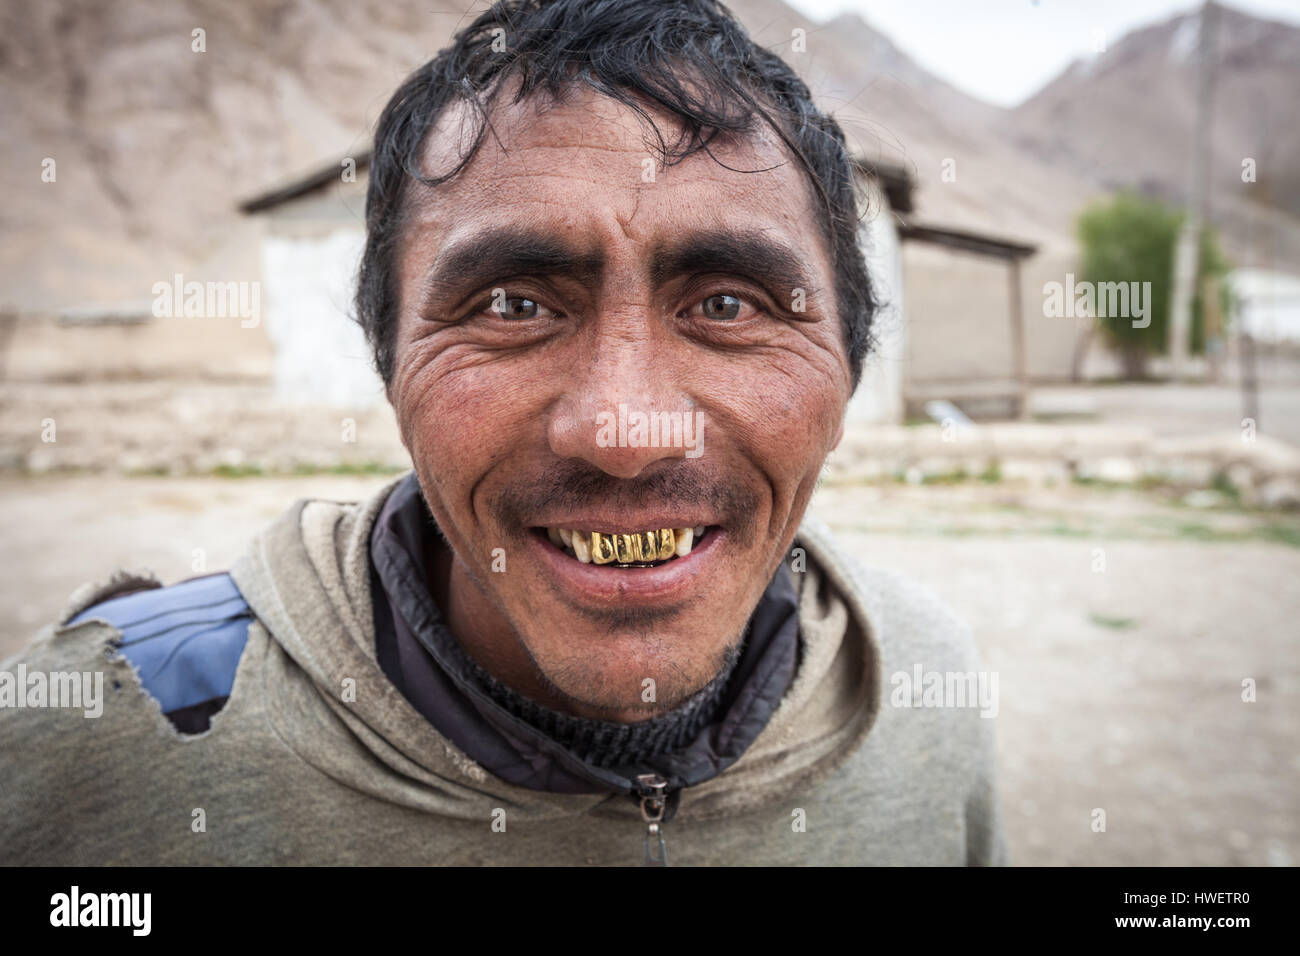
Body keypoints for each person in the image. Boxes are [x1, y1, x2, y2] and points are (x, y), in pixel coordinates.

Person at [0, 0, 1006, 865]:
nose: (622, 430)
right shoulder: (103, 733)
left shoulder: (923, 684)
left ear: (848, 363)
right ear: (388, 360)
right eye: (515, 305)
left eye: (730, 305)